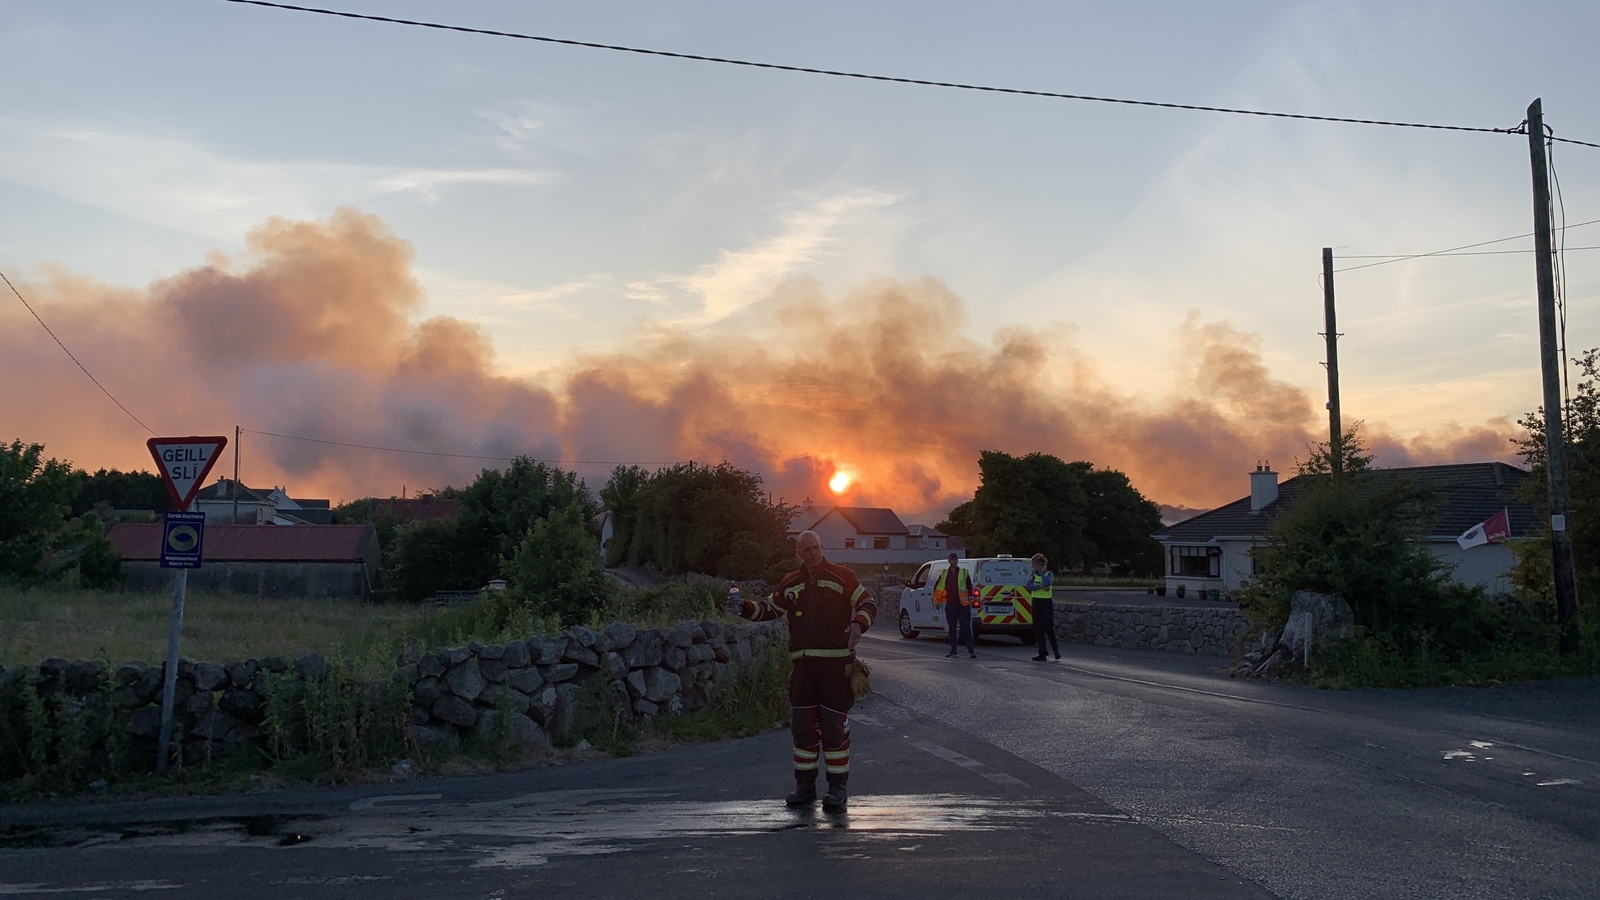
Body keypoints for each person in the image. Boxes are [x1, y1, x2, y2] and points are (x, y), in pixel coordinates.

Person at [732, 529, 875, 813]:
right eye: (807, 549)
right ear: (798, 552)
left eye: (817, 547)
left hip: (836, 667)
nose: (813, 552)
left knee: (834, 730)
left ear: (822, 547)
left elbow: (867, 602)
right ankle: (805, 788)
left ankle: (837, 790)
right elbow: (769, 609)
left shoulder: (843, 576)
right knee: (803, 730)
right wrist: (742, 608)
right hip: (804, 669)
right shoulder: (791, 583)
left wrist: (859, 623)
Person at [934, 552, 977, 659]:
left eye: (956, 559)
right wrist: (937, 601)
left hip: (963, 604)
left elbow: (969, 586)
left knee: (966, 627)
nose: (954, 561)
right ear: (949, 561)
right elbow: (938, 587)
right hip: (950, 604)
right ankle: (953, 651)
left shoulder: (963, 572)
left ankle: (971, 651)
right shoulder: (944, 573)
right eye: (952, 559)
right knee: (952, 628)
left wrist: (970, 596)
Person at [1028, 553, 1059, 661]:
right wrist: (1038, 586)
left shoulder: (1048, 574)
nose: (1033, 567)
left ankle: (1055, 650)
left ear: (1040, 564)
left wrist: (1042, 574)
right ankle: (1042, 652)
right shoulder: (1033, 574)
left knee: (1048, 627)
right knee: (1038, 628)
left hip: (1046, 602)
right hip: (1036, 601)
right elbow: (1028, 586)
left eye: (1034, 565)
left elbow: (1047, 584)